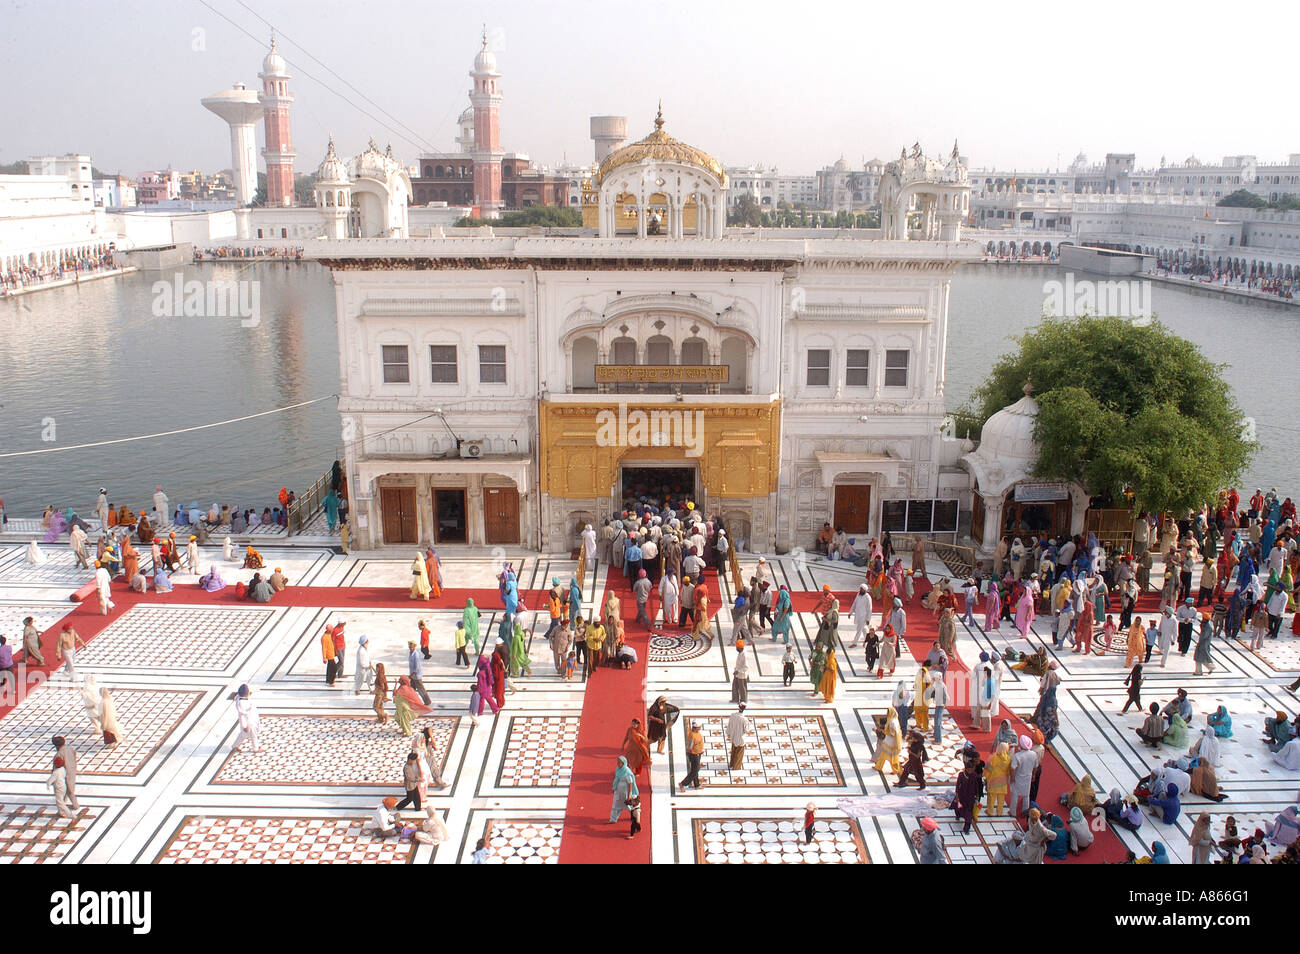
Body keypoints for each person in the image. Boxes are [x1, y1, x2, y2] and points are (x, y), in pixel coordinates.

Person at [1009, 735, 1038, 817]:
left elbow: (1013, 768)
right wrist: (1033, 774)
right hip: (1028, 777)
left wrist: (1012, 777)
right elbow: (1035, 766)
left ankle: (1013, 812)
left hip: (1018, 777)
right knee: (1026, 795)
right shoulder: (1033, 754)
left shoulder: (1017, 756)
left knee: (1015, 795)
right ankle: (1025, 812)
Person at [874, 706, 904, 775]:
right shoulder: (891, 719)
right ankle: (878, 766)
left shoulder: (893, 722)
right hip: (888, 741)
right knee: (883, 754)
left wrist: (885, 732)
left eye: (888, 712)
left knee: (892, 758)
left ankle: (895, 769)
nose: (887, 714)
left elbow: (893, 733)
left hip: (892, 742)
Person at [232, 684, 262, 753]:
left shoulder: (240, 697)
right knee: (253, 735)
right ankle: (255, 748)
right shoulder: (242, 703)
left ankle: (235, 746)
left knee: (243, 735)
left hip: (251, 719)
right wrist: (244, 726)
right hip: (249, 723)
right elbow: (242, 716)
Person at [610, 756, 639, 824]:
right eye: (617, 762)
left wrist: (629, 795)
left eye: (620, 763)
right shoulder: (618, 770)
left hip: (625, 793)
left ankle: (635, 818)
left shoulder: (627, 772)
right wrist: (614, 789)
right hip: (618, 792)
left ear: (623, 763)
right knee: (615, 805)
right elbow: (616, 780)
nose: (618, 764)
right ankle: (613, 819)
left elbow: (630, 783)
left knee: (629, 807)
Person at [985, 741, 1011, 816]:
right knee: (1001, 798)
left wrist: (986, 778)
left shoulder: (993, 757)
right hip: (1003, 781)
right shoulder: (1009, 758)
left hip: (993, 780)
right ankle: (999, 812)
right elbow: (1009, 770)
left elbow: (988, 769)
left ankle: (990, 811)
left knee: (991, 797)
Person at [727, 703, 748, 770]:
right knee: (739, 754)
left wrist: (729, 734)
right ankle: (736, 767)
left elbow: (729, 725)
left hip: (733, 737)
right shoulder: (744, 719)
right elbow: (746, 730)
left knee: (733, 751)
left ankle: (731, 764)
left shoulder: (733, 715)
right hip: (740, 739)